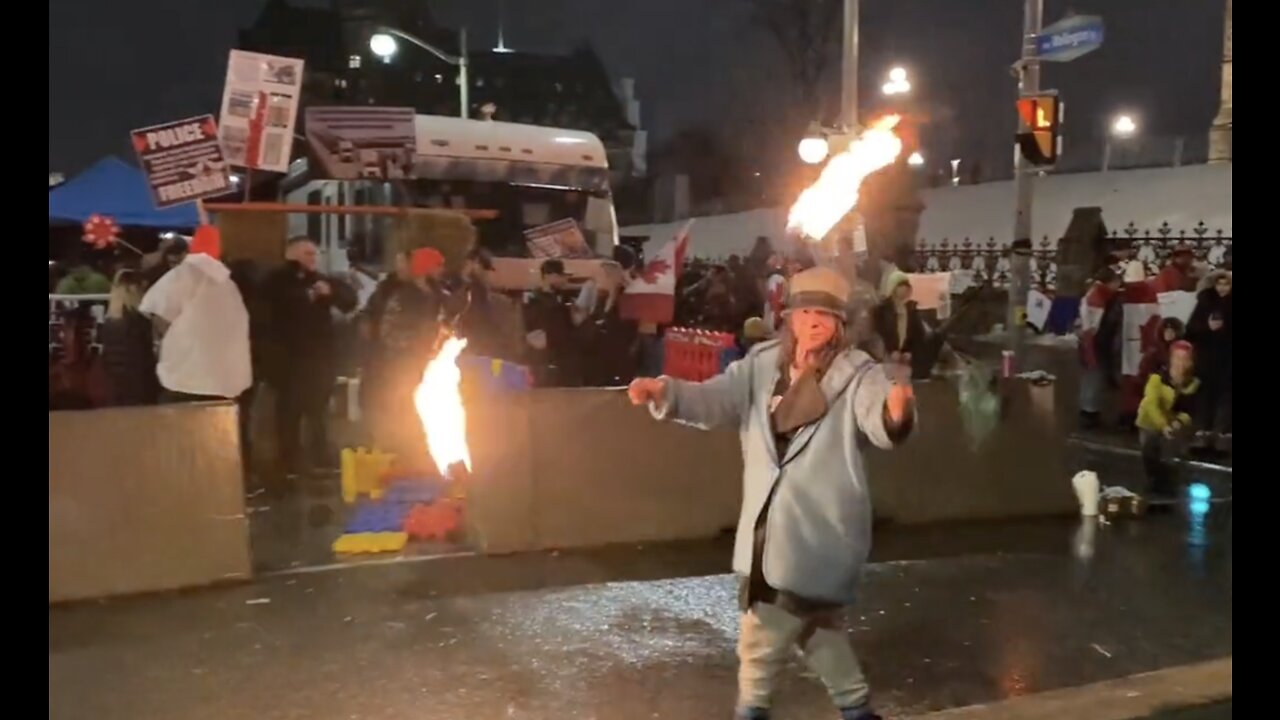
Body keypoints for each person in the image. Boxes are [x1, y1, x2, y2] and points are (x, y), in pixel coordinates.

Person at [627, 266, 914, 720]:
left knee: (760, 638)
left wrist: (895, 411)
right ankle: (858, 711)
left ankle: (752, 712)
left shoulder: (859, 373)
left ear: (840, 323)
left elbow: (878, 418)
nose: (813, 322)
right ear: (790, 318)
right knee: (817, 632)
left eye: (825, 314)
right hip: (767, 530)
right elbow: (716, 398)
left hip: (817, 529)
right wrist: (667, 393)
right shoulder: (760, 367)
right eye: (805, 312)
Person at [263, 237, 357, 476]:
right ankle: (289, 460)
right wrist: (308, 297)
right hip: (290, 360)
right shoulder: (275, 282)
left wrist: (330, 292)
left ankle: (321, 456)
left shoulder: (322, 280)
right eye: (307, 254)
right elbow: (275, 309)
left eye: (315, 254)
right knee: (289, 413)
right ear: (291, 255)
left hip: (320, 359)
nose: (313, 258)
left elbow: (349, 300)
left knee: (319, 411)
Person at [138, 226, 252, 404]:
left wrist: (175, 339)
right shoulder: (228, 284)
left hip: (184, 378)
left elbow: (158, 310)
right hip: (225, 381)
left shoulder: (181, 275)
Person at [1135, 340, 1199, 502]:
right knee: (1149, 452)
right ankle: (1153, 484)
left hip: (1172, 423)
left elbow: (1190, 409)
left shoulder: (1192, 383)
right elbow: (1151, 404)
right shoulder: (1157, 378)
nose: (1180, 364)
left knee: (1170, 454)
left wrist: (1179, 421)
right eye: (1177, 358)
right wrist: (1163, 425)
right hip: (1150, 422)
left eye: (1185, 359)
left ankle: (1168, 485)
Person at [98, 269, 159, 407]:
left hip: (114, 384)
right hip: (139, 384)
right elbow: (145, 356)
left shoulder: (109, 320)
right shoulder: (139, 320)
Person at [1186, 270, 1231, 451]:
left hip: (1228, 357)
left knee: (1226, 396)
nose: (1223, 288)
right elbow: (1191, 329)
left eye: (1226, 284)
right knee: (1205, 394)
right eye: (1219, 284)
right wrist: (1207, 327)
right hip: (1207, 357)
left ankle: (1223, 435)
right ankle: (1203, 432)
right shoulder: (1205, 303)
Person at [523, 259, 586, 387]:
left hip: (565, 360)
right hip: (546, 360)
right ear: (548, 276)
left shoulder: (562, 299)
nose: (564, 280)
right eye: (560, 276)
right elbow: (532, 329)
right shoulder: (535, 301)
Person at [1077, 267, 1123, 429]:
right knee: (1093, 378)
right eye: (1116, 281)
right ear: (1109, 282)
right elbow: (1091, 327)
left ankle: (1089, 411)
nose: (1119, 285)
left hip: (1094, 343)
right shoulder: (1097, 297)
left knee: (1092, 378)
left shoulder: (1099, 294)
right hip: (1094, 344)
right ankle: (1089, 414)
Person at [871, 270, 927, 361]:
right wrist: (890, 351)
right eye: (901, 285)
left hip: (906, 360)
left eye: (907, 285)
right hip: (885, 359)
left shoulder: (912, 310)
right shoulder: (881, 310)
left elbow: (919, 335)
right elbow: (878, 333)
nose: (905, 288)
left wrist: (910, 352)